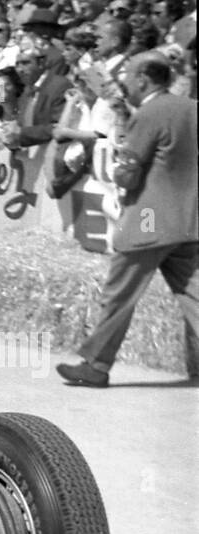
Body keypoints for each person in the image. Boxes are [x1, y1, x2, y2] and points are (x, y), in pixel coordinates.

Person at [57, 51, 199, 385]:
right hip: (189, 221)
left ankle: (96, 364)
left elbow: (127, 175)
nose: (124, 82)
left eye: (129, 76)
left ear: (143, 79)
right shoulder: (192, 108)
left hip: (150, 219)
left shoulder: (149, 114)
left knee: (120, 294)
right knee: (195, 296)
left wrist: (120, 149)